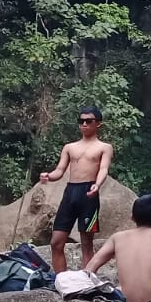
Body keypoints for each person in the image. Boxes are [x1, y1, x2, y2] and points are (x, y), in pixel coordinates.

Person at [40, 105, 114, 273]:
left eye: (89, 121)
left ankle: (86, 280)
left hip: (89, 193)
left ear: (98, 124)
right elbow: (60, 170)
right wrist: (48, 176)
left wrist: (98, 184)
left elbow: (103, 168)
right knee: (56, 241)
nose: (84, 124)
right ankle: (61, 279)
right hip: (70, 192)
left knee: (87, 243)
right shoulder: (70, 147)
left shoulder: (104, 147)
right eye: (81, 121)